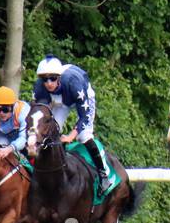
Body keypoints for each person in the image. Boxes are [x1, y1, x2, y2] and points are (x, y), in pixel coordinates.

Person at [31, 55, 111, 194]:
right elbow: (39, 114)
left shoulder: (73, 83)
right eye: (45, 79)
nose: (49, 83)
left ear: (59, 77)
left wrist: (70, 136)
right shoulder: (39, 88)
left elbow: (84, 116)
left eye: (53, 78)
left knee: (83, 135)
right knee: (50, 130)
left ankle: (104, 175)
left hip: (82, 97)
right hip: (60, 101)